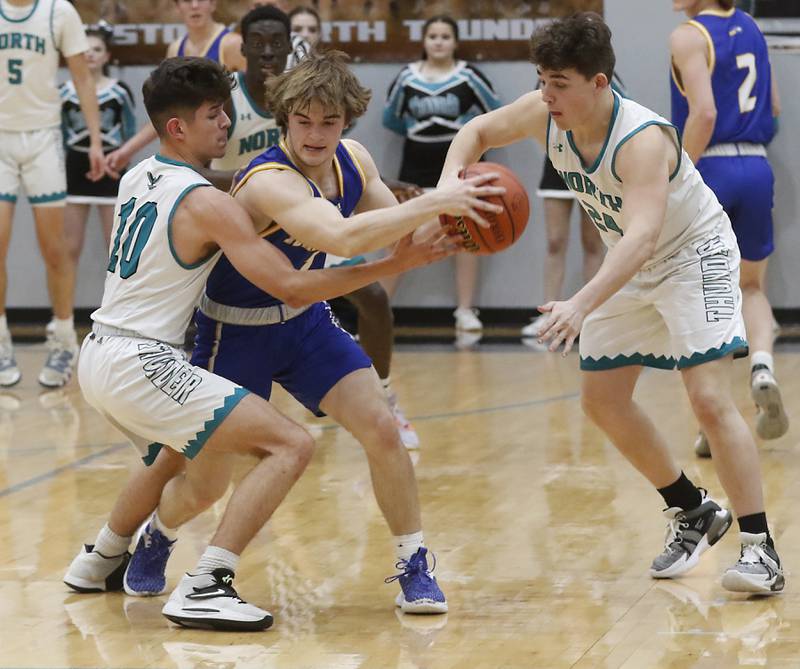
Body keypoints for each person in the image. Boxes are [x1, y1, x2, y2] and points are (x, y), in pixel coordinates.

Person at [63, 56, 491, 629]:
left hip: (304, 322)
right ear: (284, 118)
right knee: (203, 481)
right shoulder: (263, 181)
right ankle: (157, 535)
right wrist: (436, 204)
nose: (315, 134)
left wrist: (463, 222)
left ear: (346, 122)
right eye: (303, 121)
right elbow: (340, 239)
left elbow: (399, 228)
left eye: (329, 122)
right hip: (234, 328)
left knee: (382, 427)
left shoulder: (353, 162)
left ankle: (413, 561)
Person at [441, 12, 784, 594]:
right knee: (602, 400)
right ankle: (694, 509)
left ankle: (760, 548)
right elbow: (476, 132)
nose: (546, 95)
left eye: (559, 83)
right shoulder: (542, 113)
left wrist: (579, 303)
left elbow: (644, 236)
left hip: (692, 255)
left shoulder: (641, 139)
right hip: (632, 260)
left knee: (707, 399)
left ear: (599, 83)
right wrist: (450, 182)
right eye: (542, 80)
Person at [670, 0, 787, 458]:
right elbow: (773, 107)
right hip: (756, 166)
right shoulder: (752, 26)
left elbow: (704, 114)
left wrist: (677, 175)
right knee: (751, 287)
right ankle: (762, 367)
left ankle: (711, 422)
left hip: (710, 169)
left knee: (705, 301)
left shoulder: (688, 35)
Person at [0, 0, 106, 387]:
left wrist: (96, 140)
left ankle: (63, 339)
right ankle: (1, 343)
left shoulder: (58, 11)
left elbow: (82, 79)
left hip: (43, 137)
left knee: (55, 248)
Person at [383, 14, 501, 333]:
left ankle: (465, 309)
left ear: (455, 42)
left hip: (461, 168)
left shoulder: (470, 76)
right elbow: (390, 118)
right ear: (423, 41)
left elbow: (496, 113)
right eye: (432, 36)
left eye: (445, 36)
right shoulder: (406, 77)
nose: (438, 42)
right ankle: (378, 309)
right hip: (414, 167)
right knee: (401, 237)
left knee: (467, 238)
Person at [521, 73, 626, 341]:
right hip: (558, 163)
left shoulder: (607, 80)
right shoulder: (549, 76)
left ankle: (593, 314)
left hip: (594, 165)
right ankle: (548, 315)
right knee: (555, 241)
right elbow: (534, 115)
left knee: (593, 243)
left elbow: (620, 122)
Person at [104, 0, 242, 177]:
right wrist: (126, 151)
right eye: (187, 1)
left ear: (213, 4)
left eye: (201, 0)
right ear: (177, 7)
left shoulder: (232, 44)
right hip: (197, 157)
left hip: (231, 150)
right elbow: (168, 112)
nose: (194, 6)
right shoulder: (176, 48)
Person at [60, 22, 136, 264]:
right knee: (69, 249)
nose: (90, 54)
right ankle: (65, 291)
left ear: (107, 56)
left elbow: (130, 130)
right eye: (85, 49)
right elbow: (60, 132)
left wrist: (121, 160)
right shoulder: (64, 92)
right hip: (75, 166)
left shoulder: (119, 91)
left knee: (116, 247)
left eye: (97, 49)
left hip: (111, 166)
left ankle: (117, 291)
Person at [221, 0, 312, 73]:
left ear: (284, 6)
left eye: (270, 6)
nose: (263, 11)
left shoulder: (299, 44)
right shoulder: (230, 39)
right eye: (257, 6)